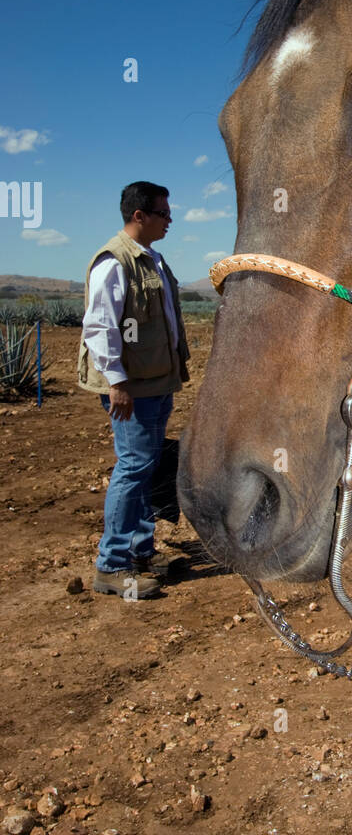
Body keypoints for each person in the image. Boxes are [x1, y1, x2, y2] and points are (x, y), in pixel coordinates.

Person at [78, 181, 190, 598]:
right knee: (133, 467)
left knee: (146, 466)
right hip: (132, 387)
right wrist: (117, 382)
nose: (170, 220)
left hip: (157, 381)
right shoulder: (115, 262)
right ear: (138, 216)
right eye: (163, 213)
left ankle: (142, 552)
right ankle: (112, 566)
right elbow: (100, 327)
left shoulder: (153, 260)